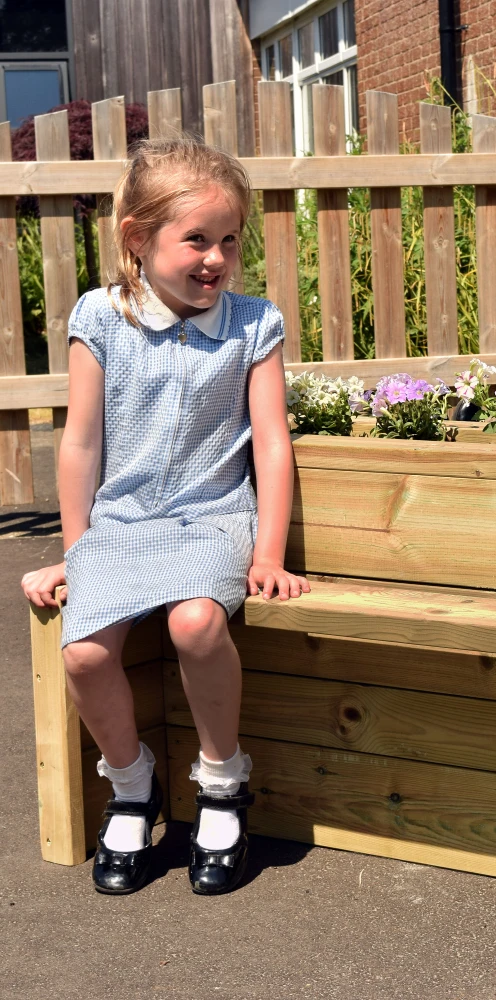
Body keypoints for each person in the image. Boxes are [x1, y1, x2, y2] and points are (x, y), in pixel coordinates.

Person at [20, 136, 309, 896]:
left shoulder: (254, 324)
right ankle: (131, 782)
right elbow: (80, 443)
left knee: (195, 624)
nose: (215, 257)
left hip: (214, 518)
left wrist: (269, 553)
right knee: (83, 653)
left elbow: (272, 445)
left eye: (228, 241)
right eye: (196, 240)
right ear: (137, 240)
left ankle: (221, 780)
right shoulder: (101, 317)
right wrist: (75, 551)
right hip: (120, 525)